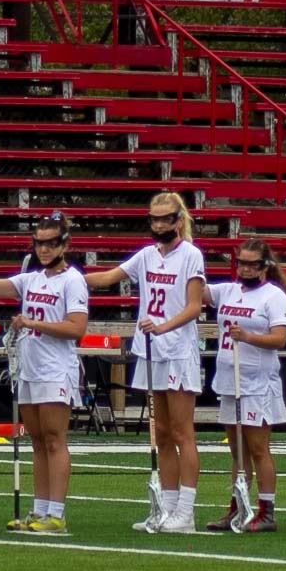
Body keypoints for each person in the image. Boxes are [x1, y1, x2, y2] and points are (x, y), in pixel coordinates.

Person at [85, 192, 206, 534]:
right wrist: (69, 277)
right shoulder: (147, 255)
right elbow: (108, 277)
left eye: (163, 219)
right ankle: (165, 508)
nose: (157, 225)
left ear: (178, 220)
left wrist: (163, 326)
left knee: (183, 432)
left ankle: (186, 511)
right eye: (153, 219)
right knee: (161, 434)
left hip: (177, 351)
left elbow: (194, 306)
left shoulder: (191, 255)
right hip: (151, 350)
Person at [0, 213, 90, 533]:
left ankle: (56, 513)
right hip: (29, 369)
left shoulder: (72, 280)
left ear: (64, 244)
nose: (43, 249)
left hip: (55, 370)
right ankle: (40, 510)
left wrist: (32, 323)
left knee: (55, 439)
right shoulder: (30, 279)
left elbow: (76, 327)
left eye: (51, 243)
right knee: (38, 441)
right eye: (39, 243)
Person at [202, 237, 286, 533]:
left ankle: (266, 510)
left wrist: (248, 337)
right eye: (241, 262)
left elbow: (280, 338)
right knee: (237, 450)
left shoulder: (273, 296)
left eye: (251, 264)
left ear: (263, 266)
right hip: (230, 380)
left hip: (257, 381)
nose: (244, 269)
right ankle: (238, 506)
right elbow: (194, 289)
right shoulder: (227, 291)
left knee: (258, 448)